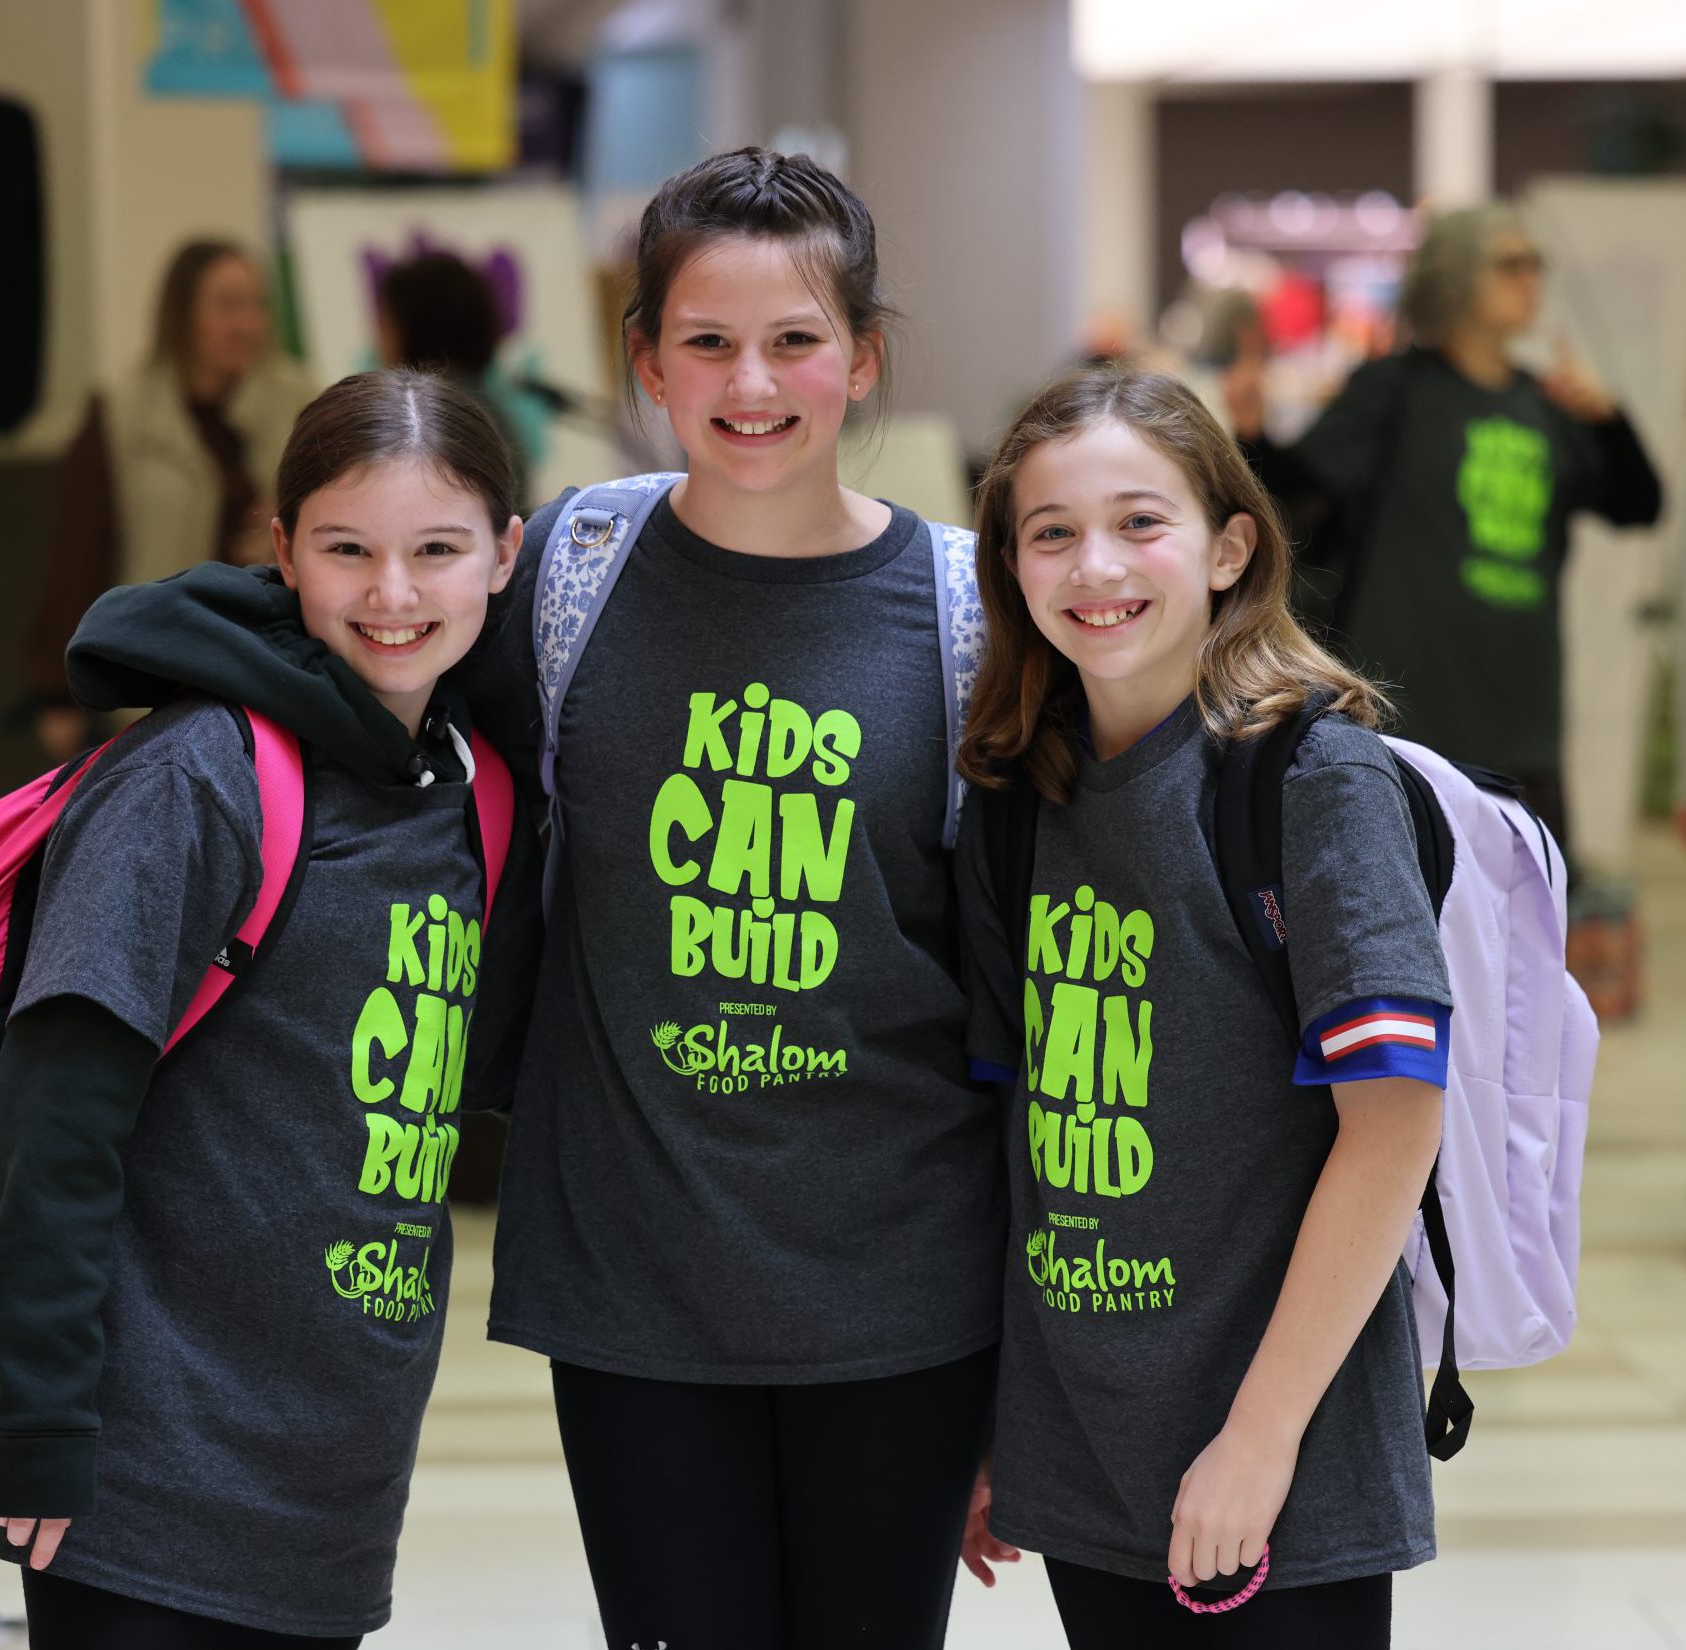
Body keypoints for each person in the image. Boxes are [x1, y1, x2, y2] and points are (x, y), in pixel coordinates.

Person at [462, 147, 1004, 1650]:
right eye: (705, 339)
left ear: (863, 355)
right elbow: (359, 660)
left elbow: (1021, 995)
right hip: (632, 1282)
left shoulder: (967, 617)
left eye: (794, 341)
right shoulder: (569, 570)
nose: (749, 380)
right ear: (643, 360)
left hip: (901, 1293)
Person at [0, 370, 539, 1648]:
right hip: (144, 1469)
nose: (393, 593)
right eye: (347, 550)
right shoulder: (197, 778)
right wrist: (35, 1419)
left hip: (334, 1474)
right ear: (281, 551)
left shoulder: (476, 797)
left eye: (437, 550)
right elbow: (54, 1113)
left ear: (503, 555)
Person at [954, 366, 1450, 1649]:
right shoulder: (1021, 797)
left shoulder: (1310, 774)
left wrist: (1260, 1436)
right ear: (1010, 568)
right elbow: (1022, 1135)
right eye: (1050, 533)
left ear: (1230, 547)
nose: (1094, 564)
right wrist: (1006, 1419)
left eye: (1139, 522)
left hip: (1277, 1452)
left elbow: (1393, 1126)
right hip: (1080, 1444)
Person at [1226, 204, 1662, 849]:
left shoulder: (1547, 405)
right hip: (1410, 708)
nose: (1531, 278)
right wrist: (1253, 432)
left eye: (1536, 263)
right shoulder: (1394, 389)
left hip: (1523, 716)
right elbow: (1295, 495)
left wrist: (1609, 420)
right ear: (1457, 276)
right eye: (1512, 263)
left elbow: (1638, 505)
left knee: (1521, 929)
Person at [27, 238, 318, 761]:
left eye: (256, 304)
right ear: (182, 315)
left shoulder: (301, 404)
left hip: (275, 673)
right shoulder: (121, 413)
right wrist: (57, 691)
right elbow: (79, 553)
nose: (247, 323)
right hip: (160, 675)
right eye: (228, 305)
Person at [375, 248, 543, 507]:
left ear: (412, 327)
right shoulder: (487, 403)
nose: (378, 341)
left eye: (385, 324)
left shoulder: (425, 412)